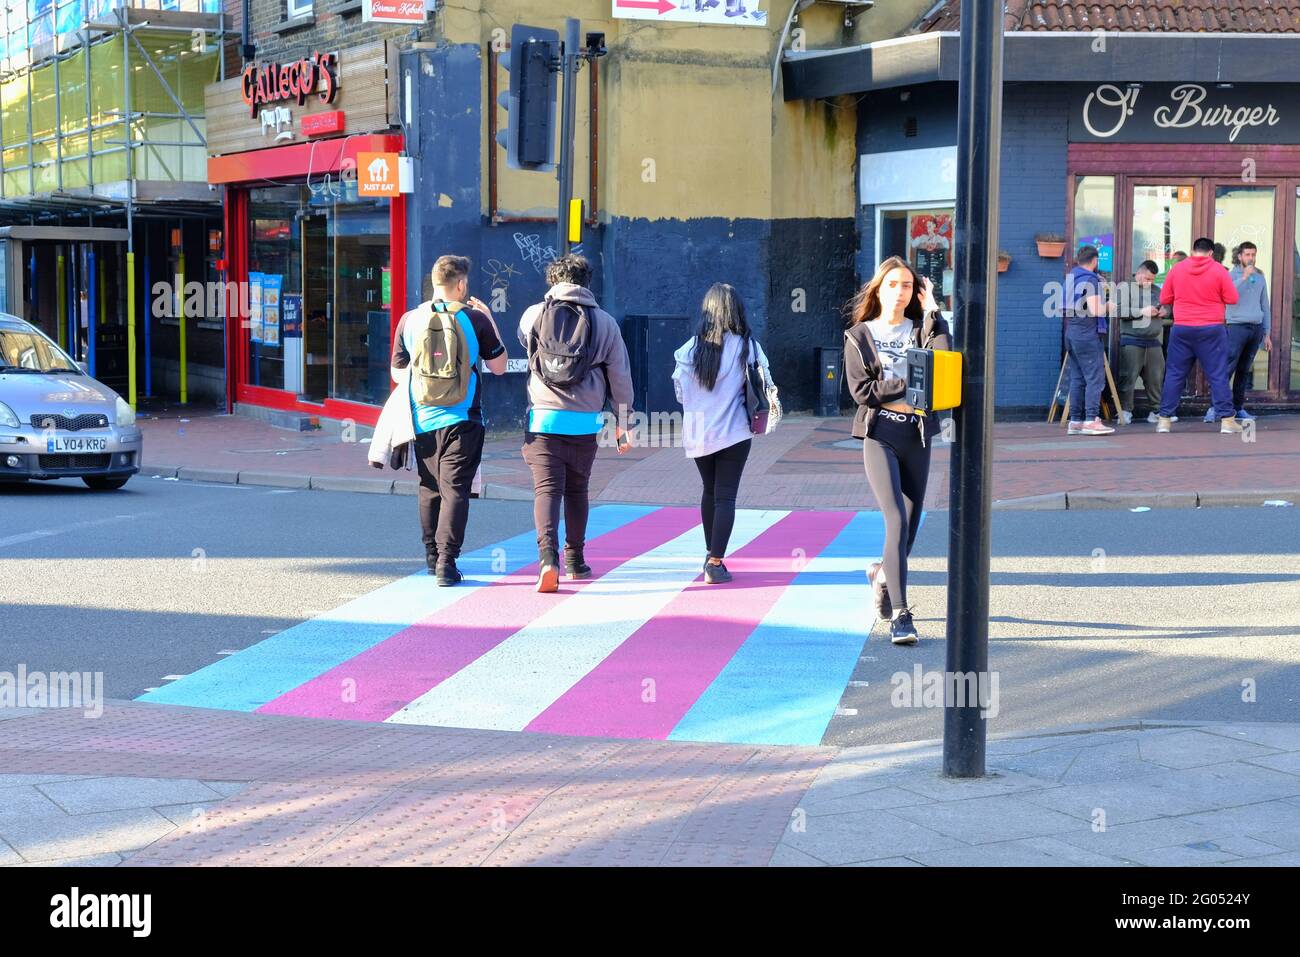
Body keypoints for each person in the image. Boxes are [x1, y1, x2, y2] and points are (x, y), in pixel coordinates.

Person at [843, 256, 951, 645]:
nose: (899, 291)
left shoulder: (921, 328)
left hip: (916, 434)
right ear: (879, 289)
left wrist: (935, 313)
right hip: (881, 434)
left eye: (906, 285)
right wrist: (908, 383)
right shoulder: (859, 335)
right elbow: (862, 392)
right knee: (896, 521)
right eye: (892, 284)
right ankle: (901, 616)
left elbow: (942, 359)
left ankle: (882, 574)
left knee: (912, 522)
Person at [519, 254, 634, 593]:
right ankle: (575, 560)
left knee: (546, 490)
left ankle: (547, 560)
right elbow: (620, 376)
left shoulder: (534, 315)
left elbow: (524, 346)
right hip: (585, 422)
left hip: (543, 419)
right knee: (577, 489)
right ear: (587, 282)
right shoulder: (605, 323)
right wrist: (623, 421)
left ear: (552, 281)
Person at [391, 255, 508, 585]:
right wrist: (489, 319)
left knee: (429, 487)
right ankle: (447, 562)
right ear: (461, 285)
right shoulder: (474, 319)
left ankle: (431, 558)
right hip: (464, 418)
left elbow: (398, 374)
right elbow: (499, 367)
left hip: (423, 418)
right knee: (455, 489)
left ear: (433, 282)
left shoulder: (409, 320)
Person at [672, 283, 768, 585]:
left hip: (699, 432)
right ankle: (715, 562)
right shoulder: (747, 346)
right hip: (735, 431)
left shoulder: (690, 349)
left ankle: (709, 552)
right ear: (736, 309)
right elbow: (765, 382)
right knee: (726, 496)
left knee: (709, 491)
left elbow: (679, 393)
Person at [1156, 237, 1242, 433]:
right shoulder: (1219, 270)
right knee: (1218, 375)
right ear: (1211, 253)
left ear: (1193, 250)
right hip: (1211, 329)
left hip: (1182, 327)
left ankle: (1164, 420)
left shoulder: (1176, 269)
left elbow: (1164, 298)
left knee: (1175, 374)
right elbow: (1232, 298)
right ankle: (1227, 421)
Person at [1063, 245, 1115, 436]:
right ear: (1095, 261)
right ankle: (1092, 420)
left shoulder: (1071, 278)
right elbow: (1096, 310)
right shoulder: (1090, 279)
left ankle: (1075, 421)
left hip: (1071, 332)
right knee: (1095, 378)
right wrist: (1108, 305)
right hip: (1087, 334)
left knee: (1077, 378)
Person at [1220, 240, 1271, 422]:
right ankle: (1217, 407)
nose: (1251, 258)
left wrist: (1267, 333)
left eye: (1253, 254)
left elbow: (1264, 305)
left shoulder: (1260, 276)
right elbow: (1227, 296)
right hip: (1236, 327)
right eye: (1248, 255)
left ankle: (1238, 408)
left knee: (1244, 370)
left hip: (1255, 328)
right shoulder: (1229, 275)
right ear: (1240, 256)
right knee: (1227, 368)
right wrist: (1243, 277)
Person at [1116, 260, 1167, 425]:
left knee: (1156, 378)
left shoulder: (1157, 290)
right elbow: (1117, 310)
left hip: (1153, 340)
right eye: (1146, 279)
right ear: (1138, 273)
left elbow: (1168, 307)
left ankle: (1156, 411)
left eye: (1152, 280)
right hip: (1132, 339)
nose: (1149, 283)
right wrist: (1141, 312)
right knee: (1128, 377)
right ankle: (1125, 411)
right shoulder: (1125, 288)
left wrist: (1165, 310)